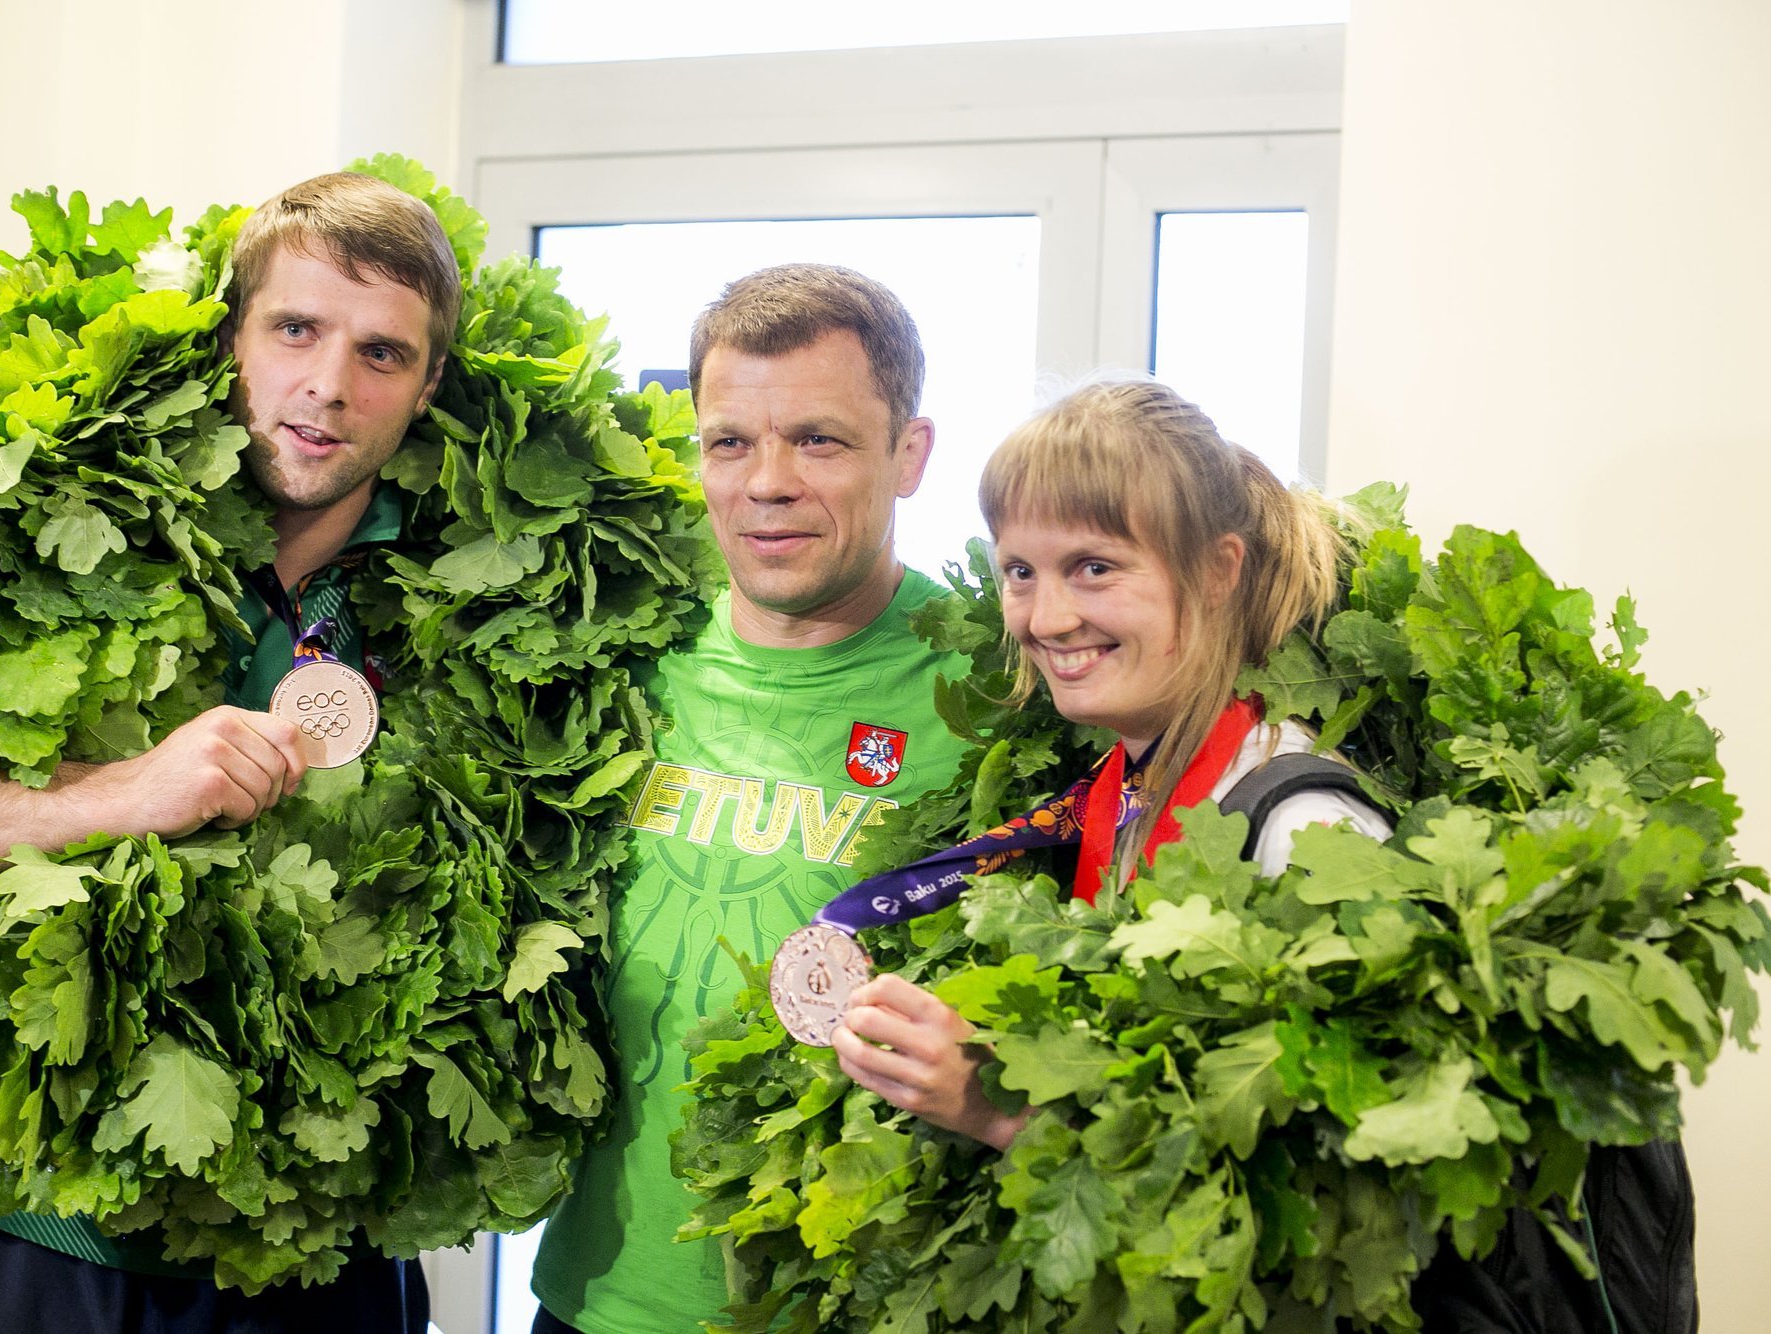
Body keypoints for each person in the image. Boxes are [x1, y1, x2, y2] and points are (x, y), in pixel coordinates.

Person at [0, 170, 459, 1332]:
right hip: (49, 1237)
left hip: (327, 1251)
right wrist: (122, 793)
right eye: (294, 327)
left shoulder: (478, 591)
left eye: (382, 353)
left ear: (426, 382)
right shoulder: (62, 523)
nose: (327, 385)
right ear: (232, 333)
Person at [528, 264, 977, 1334]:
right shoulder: (613, 652)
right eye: (730, 441)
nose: (766, 480)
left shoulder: (995, 689)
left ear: (907, 455)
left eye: (817, 439)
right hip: (597, 1299)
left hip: (858, 1303)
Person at [830, 376, 1388, 1147]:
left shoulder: (1305, 824)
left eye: (1094, 566)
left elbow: (1338, 1200)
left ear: (1220, 570)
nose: (1049, 619)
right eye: (1021, 571)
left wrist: (998, 1110)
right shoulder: (1127, 789)